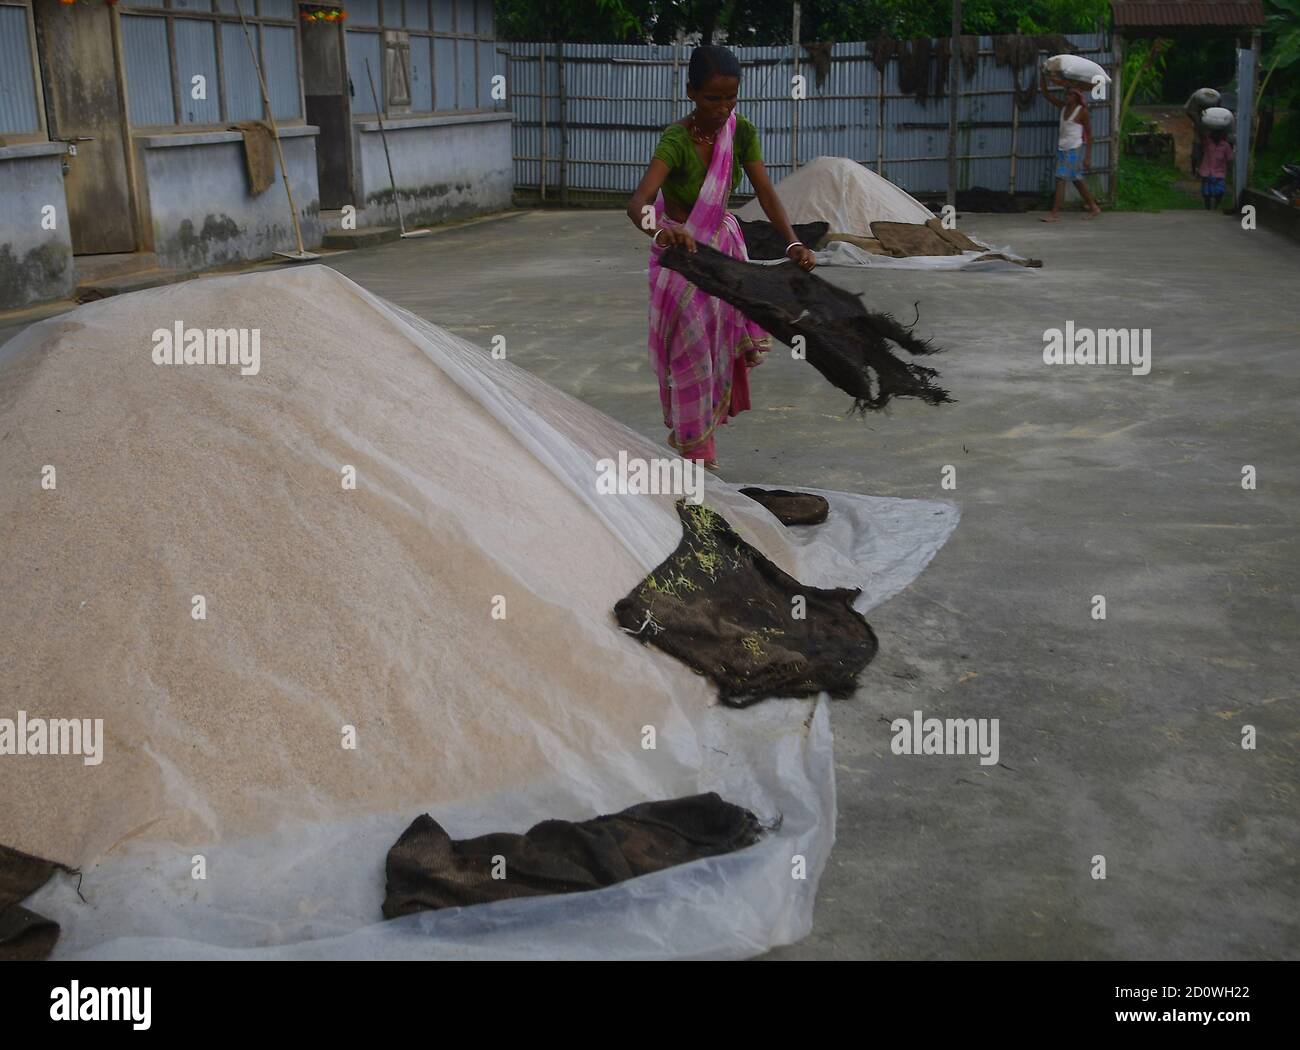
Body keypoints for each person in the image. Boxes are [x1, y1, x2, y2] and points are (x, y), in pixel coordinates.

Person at [626, 45, 816, 471]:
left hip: (724, 254)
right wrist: (660, 230)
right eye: (713, 98)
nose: (723, 108)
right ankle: (696, 454)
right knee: (691, 354)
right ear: (691, 92)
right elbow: (638, 201)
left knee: (715, 350)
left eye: (731, 97)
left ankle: (702, 452)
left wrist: (792, 243)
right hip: (682, 258)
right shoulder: (676, 140)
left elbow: (765, 191)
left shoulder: (740, 131)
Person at [1040, 69, 1101, 221]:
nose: (1067, 96)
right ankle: (1094, 207)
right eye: (1066, 94)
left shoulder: (1082, 112)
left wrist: (1087, 156)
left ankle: (1054, 213)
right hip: (1063, 148)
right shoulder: (1063, 107)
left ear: (1076, 96)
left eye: (1070, 94)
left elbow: (1089, 133)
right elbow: (1047, 96)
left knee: (1060, 178)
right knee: (1076, 179)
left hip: (1074, 149)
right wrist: (1043, 79)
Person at [1185, 87, 1222, 177]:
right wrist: (1199, 124)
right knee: (1197, 144)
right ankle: (1195, 168)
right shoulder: (1196, 98)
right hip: (1198, 120)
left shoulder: (1217, 98)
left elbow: (1219, 112)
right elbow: (1190, 111)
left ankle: (1209, 167)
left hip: (1212, 121)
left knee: (1210, 145)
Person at [1198, 128, 1233, 211]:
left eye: (1218, 134)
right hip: (1206, 172)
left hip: (1219, 173)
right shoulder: (1207, 143)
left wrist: (1230, 171)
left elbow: (1229, 159)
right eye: (1214, 134)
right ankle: (1208, 209)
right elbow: (1201, 133)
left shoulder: (1225, 146)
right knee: (1206, 193)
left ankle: (1216, 206)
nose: (1216, 136)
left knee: (1220, 191)